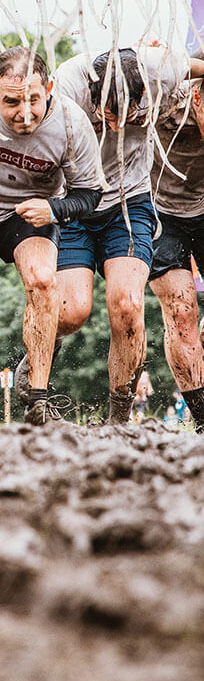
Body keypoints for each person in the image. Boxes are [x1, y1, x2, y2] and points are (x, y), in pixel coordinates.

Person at [15, 45, 204, 425]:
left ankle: (119, 418)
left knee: (128, 306)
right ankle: (39, 355)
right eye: (109, 116)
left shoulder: (160, 70)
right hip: (74, 203)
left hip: (129, 202)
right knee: (71, 312)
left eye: (131, 114)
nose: (118, 126)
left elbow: (197, 66)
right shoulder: (66, 87)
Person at [0, 46, 103, 433]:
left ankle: (38, 401)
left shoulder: (71, 124)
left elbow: (90, 194)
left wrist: (54, 210)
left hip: (27, 215)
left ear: (51, 90)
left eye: (34, 100)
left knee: (44, 280)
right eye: (11, 102)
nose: (24, 114)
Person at [148, 71, 204, 433]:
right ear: (197, 101)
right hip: (157, 211)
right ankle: (203, 417)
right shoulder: (163, 99)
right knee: (181, 312)